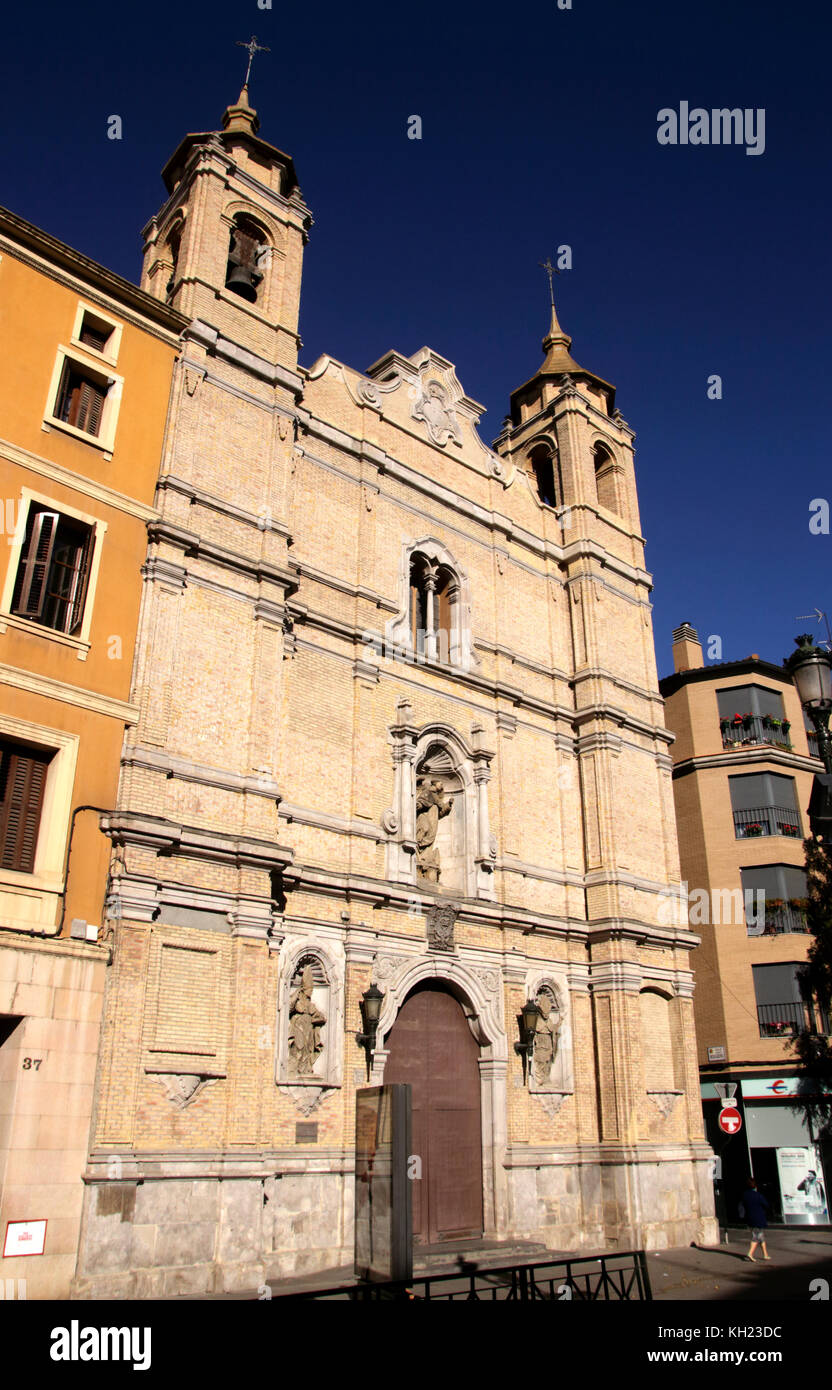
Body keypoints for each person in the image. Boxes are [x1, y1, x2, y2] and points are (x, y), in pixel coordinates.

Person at [740, 1178, 771, 1262]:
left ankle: (765, 1254)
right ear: (755, 1186)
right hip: (758, 1218)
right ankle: (750, 1253)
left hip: (750, 1218)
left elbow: (742, 1205)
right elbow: (766, 1205)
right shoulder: (758, 1195)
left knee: (761, 1236)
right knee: (757, 1236)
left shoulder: (745, 1195)